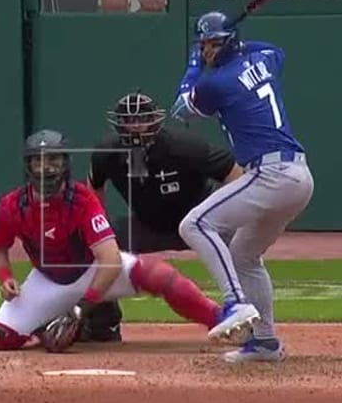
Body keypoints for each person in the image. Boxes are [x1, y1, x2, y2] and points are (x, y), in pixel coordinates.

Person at [0, 130, 227, 353]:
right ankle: (43, 327)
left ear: (65, 164)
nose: (46, 168)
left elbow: (110, 260)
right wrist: (5, 278)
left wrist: (80, 309)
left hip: (95, 271)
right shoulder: (12, 205)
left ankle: (222, 320)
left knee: (160, 275)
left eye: (53, 160)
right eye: (39, 161)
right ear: (29, 166)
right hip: (48, 280)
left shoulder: (83, 199)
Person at [171, 12, 315, 363]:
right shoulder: (263, 58)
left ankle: (235, 301)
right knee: (244, 255)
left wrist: (193, 64)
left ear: (227, 43)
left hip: (271, 175)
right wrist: (228, 42)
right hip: (298, 176)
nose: (206, 51)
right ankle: (265, 342)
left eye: (211, 44)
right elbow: (274, 50)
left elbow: (179, 107)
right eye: (203, 45)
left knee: (194, 224)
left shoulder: (215, 83)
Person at [80, 90, 242, 343]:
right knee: (92, 248)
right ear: (118, 123)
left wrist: (221, 217)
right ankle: (102, 325)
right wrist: (100, 230)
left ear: (155, 121)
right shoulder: (107, 151)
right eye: (128, 120)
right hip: (147, 225)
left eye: (141, 119)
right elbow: (93, 190)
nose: (135, 127)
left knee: (243, 248)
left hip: (198, 222)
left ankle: (246, 316)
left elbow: (234, 173)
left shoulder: (183, 146)